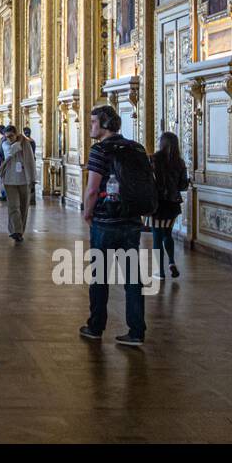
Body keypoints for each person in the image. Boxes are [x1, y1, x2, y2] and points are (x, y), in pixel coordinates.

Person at [78, 104, 154, 347]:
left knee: (99, 276)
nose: (90, 127)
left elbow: (92, 189)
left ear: (105, 125)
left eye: (92, 123)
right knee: (133, 278)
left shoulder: (100, 151)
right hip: (131, 220)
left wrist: (88, 214)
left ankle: (96, 326)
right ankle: (136, 331)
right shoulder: (136, 148)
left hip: (105, 221)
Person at [150, 131, 189, 278]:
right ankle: (171, 262)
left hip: (158, 205)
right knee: (167, 234)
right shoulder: (180, 162)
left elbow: (148, 181)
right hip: (173, 205)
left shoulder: (154, 160)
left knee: (156, 237)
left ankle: (159, 271)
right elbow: (183, 186)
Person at [0, 125, 36, 243]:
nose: (9, 139)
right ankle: (15, 231)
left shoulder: (26, 143)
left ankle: (20, 231)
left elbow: (30, 161)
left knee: (24, 207)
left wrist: (32, 179)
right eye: (7, 137)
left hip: (24, 180)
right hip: (10, 180)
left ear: (16, 134)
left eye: (11, 136)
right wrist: (0, 177)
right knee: (13, 206)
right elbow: (4, 156)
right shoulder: (4, 144)